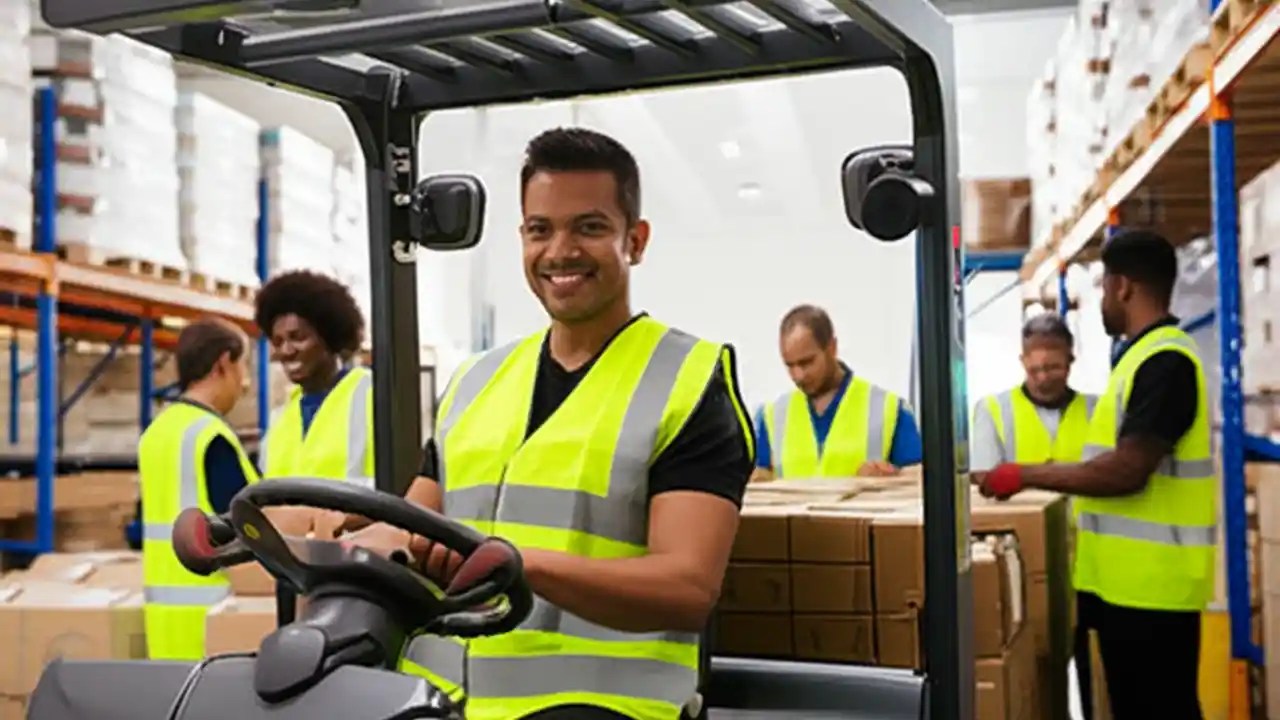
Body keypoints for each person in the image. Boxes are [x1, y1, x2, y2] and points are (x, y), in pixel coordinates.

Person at [348, 127, 754, 720]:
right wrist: (334, 535)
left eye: (589, 227)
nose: (559, 250)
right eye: (541, 229)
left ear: (634, 241)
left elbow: (688, 589)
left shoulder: (688, 382)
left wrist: (516, 563)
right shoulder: (476, 381)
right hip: (440, 704)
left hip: (601, 708)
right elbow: (416, 525)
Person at [975, 230, 1212, 720]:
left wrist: (1026, 474)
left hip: (1153, 593)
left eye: (1104, 287)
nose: (1102, 299)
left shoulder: (1165, 362)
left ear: (1123, 286)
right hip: (1126, 590)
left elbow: (1128, 470)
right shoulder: (1139, 361)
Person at [138, 316, 259, 660]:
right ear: (224, 363)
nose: (245, 383)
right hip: (214, 628)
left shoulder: (157, 432)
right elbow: (246, 536)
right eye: (243, 366)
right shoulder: (210, 437)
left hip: (164, 629)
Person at [752, 304, 922, 480]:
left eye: (806, 363)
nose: (798, 375)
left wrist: (893, 475)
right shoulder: (771, 417)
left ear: (832, 347)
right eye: (790, 365)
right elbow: (759, 478)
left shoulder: (889, 409)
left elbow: (921, 478)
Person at [255, 270, 374, 484]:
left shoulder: (371, 397)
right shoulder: (281, 419)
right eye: (278, 341)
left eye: (298, 337)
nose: (287, 350)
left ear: (330, 337)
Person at [971, 312, 1097, 470]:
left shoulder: (1098, 410)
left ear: (1070, 360)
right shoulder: (991, 410)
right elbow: (984, 477)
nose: (1043, 378)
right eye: (1034, 369)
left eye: (1053, 368)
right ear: (1023, 361)